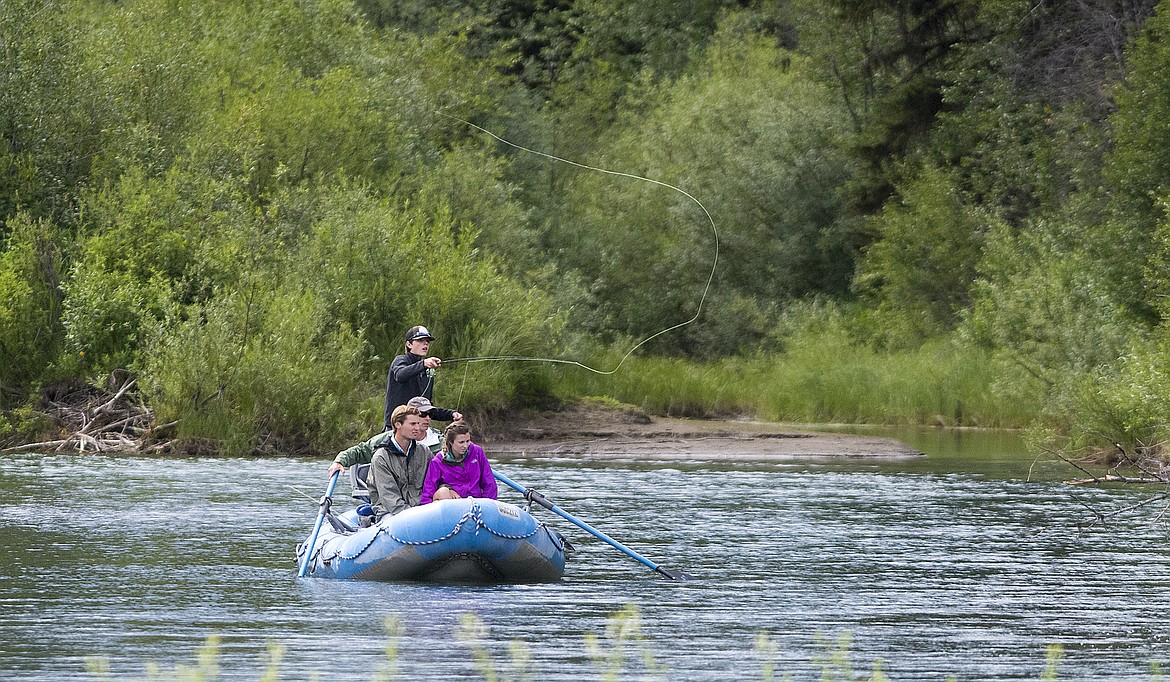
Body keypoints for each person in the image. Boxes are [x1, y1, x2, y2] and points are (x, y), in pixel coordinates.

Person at [384, 325, 463, 431]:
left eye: (427, 341)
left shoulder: (427, 372)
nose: (425, 343)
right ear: (409, 344)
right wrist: (423, 364)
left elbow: (427, 407)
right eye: (420, 340)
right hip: (396, 428)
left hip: (417, 429)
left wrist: (451, 414)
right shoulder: (400, 360)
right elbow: (400, 375)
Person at [367, 404, 429, 519]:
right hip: (390, 513)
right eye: (412, 424)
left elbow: (437, 479)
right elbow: (390, 498)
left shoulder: (424, 452)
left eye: (418, 424)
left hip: (421, 509)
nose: (417, 428)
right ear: (397, 424)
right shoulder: (381, 458)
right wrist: (416, 516)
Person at [420, 423, 499, 504]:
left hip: (476, 502)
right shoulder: (437, 462)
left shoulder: (477, 452)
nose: (465, 446)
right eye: (461, 442)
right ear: (451, 442)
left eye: (467, 441)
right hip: (453, 504)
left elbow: (489, 483)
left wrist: (487, 505)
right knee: (443, 492)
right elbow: (428, 493)